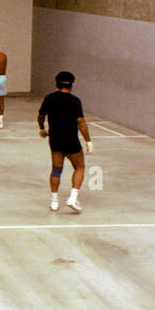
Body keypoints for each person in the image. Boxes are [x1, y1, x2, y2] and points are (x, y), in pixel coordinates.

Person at [37, 71, 93, 212]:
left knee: (56, 170)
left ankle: (54, 201)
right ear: (71, 85)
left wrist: (42, 129)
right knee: (79, 167)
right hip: (71, 140)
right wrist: (88, 141)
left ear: (57, 83)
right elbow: (81, 122)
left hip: (55, 139)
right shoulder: (75, 101)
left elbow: (41, 115)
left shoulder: (49, 98)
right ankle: (72, 199)